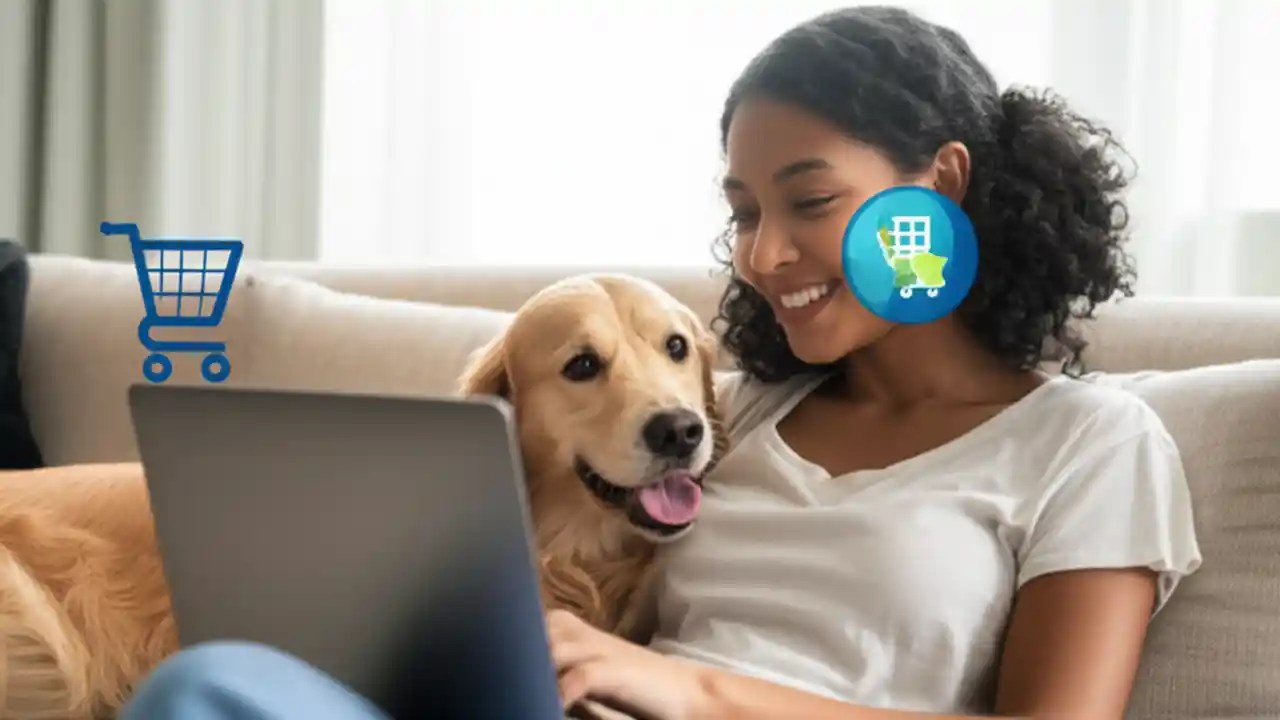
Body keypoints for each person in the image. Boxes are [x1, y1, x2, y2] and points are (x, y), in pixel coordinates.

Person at [121, 6, 1201, 719]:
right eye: (741, 211)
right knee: (212, 686)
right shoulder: (729, 414)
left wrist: (691, 690)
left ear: (941, 187)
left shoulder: (1088, 441)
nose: (764, 254)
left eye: (809, 201)